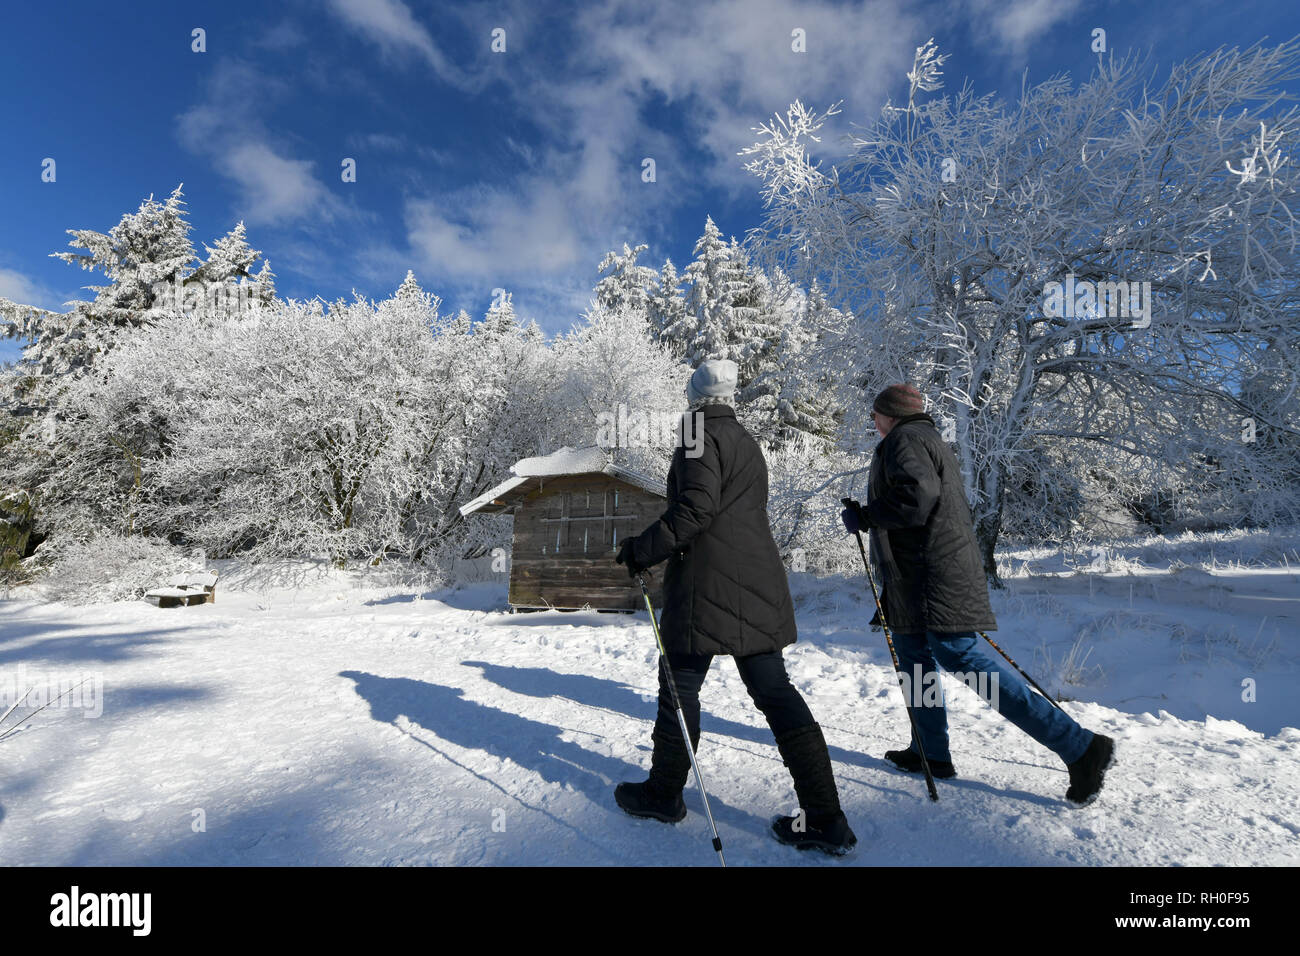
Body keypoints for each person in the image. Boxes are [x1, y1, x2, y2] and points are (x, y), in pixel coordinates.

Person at [613, 358, 856, 855]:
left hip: (707, 586)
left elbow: (697, 507)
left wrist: (642, 548)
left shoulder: (696, 432)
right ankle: (826, 818)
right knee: (774, 692)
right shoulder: (745, 440)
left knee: (679, 686)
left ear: (695, 394)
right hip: (757, 581)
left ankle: (664, 795)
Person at [841, 383, 1116, 805]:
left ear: (888, 415)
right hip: (914, 579)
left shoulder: (906, 439)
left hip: (936, 576)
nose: (873, 424)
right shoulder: (921, 438)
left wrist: (865, 515)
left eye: (875, 416)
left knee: (961, 656)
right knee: (914, 660)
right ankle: (930, 752)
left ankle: (1080, 746)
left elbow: (917, 496)